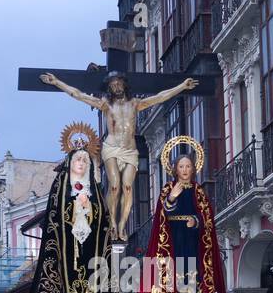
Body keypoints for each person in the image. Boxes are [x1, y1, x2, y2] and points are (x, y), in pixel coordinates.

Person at [39, 70, 198, 240]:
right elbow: (78, 94)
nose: (116, 87)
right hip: (111, 148)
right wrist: (56, 82)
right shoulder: (106, 105)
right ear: (109, 88)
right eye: (112, 85)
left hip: (130, 150)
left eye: (118, 83)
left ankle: (122, 225)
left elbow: (160, 97)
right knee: (114, 186)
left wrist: (182, 86)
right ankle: (112, 224)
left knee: (127, 188)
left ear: (124, 84)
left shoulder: (135, 104)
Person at [22, 140, 123, 293]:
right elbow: (54, 217)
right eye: (78, 160)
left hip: (91, 246)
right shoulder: (61, 187)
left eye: (85, 160)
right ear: (70, 163)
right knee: (68, 275)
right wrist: (76, 206)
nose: (81, 164)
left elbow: (102, 219)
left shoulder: (94, 190)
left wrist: (89, 208)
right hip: (66, 245)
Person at [136, 143, 228, 293]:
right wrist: (172, 197)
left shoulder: (199, 192)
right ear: (175, 170)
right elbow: (161, 215)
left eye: (188, 166)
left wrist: (196, 221)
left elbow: (207, 218)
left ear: (193, 169)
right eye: (181, 166)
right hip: (173, 241)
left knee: (191, 279)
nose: (185, 170)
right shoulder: (167, 189)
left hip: (193, 243)